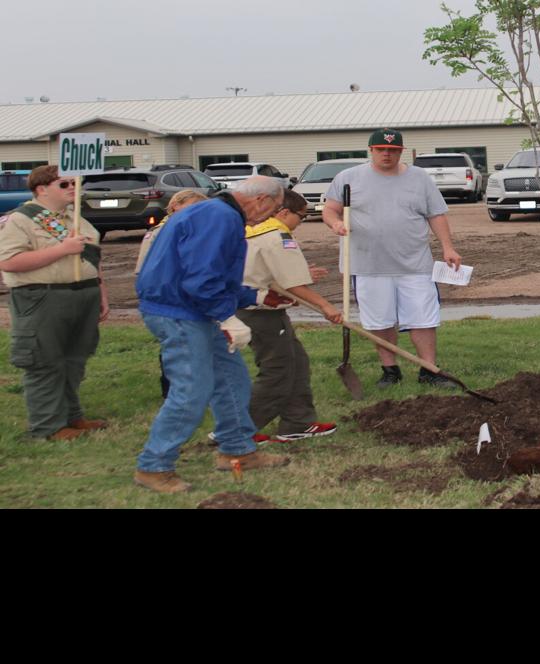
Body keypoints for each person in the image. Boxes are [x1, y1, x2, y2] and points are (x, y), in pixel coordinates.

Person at [132, 175, 292, 493]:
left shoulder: (216, 214)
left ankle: (238, 449)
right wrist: (227, 317)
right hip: (180, 313)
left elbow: (215, 275)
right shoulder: (219, 218)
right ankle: (154, 466)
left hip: (193, 309)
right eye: (274, 208)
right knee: (192, 390)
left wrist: (255, 297)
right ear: (260, 200)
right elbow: (201, 280)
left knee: (232, 380)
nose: (272, 215)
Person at [321, 128, 462, 388]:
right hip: (367, 264)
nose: (387, 154)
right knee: (379, 319)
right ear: (371, 150)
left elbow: (436, 215)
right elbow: (330, 209)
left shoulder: (419, 178)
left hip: (414, 263)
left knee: (423, 317)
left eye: (393, 150)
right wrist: (336, 224)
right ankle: (390, 370)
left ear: (401, 151)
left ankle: (429, 370)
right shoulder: (348, 178)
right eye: (382, 150)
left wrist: (448, 247)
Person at [0, 166, 112, 440]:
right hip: (42, 296)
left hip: (82, 293)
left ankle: (72, 416)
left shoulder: (75, 218)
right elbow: (9, 262)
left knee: (74, 359)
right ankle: (47, 425)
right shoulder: (21, 220)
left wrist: (100, 292)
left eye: (75, 184)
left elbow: (92, 259)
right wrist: (61, 249)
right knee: (44, 360)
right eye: (64, 185)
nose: (73, 189)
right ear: (42, 189)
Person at [236, 187, 345, 442]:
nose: (300, 222)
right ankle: (237, 430)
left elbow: (269, 271)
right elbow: (293, 285)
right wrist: (326, 307)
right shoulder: (277, 235)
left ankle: (298, 422)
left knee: (297, 362)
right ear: (284, 212)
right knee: (279, 370)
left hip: (261, 309)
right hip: (260, 314)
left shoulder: (252, 231)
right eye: (301, 216)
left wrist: (302, 272)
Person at [137, 188, 210, 399]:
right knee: (176, 347)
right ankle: (172, 392)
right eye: (190, 207)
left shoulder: (192, 228)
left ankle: (196, 389)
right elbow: (146, 267)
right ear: (174, 207)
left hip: (188, 295)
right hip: (169, 296)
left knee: (195, 346)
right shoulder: (162, 231)